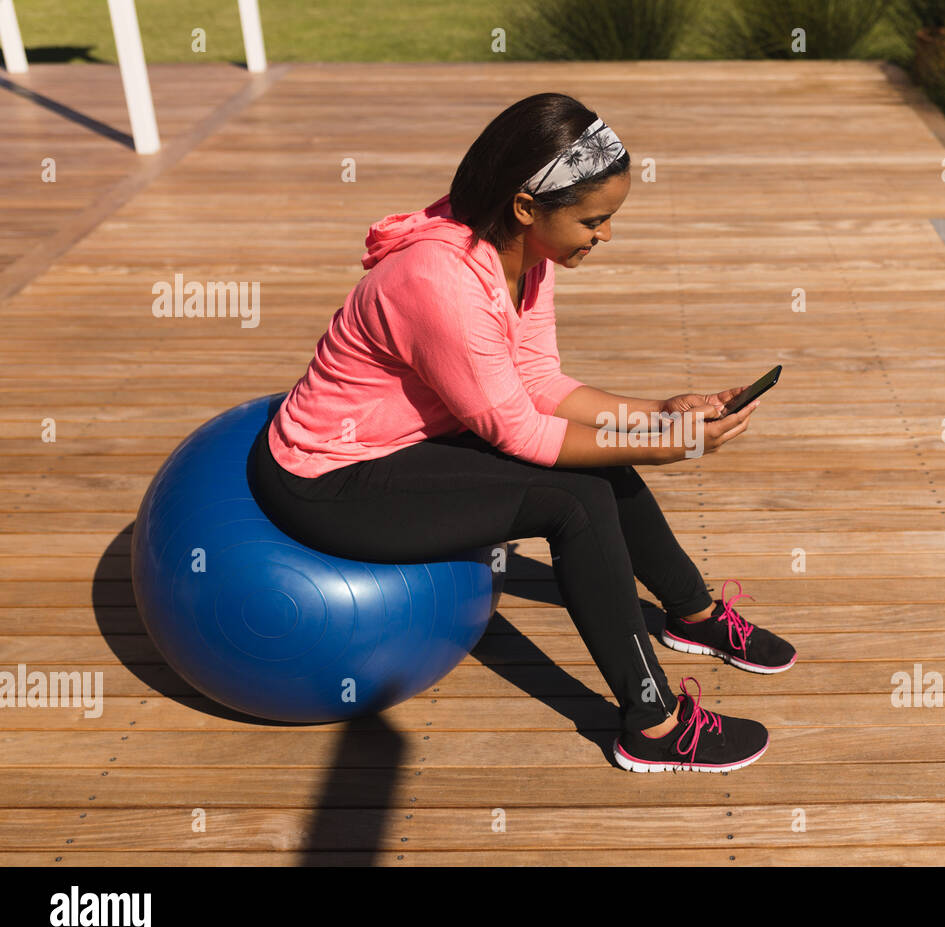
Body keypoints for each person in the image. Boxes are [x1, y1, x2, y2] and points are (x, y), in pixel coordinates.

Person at [248, 92, 797, 773]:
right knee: (575, 500)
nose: (605, 236)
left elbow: (538, 383)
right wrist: (672, 444)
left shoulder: (522, 255)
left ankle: (694, 616)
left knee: (600, 468)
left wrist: (660, 412)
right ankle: (652, 726)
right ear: (527, 206)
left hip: (413, 441)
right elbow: (521, 435)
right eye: (594, 221)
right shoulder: (441, 283)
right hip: (329, 479)